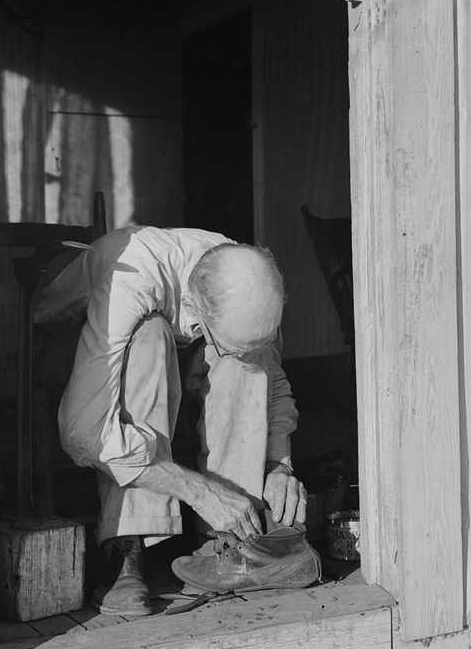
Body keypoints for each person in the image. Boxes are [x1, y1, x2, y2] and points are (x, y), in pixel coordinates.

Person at [32, 225, 318, 617]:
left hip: (179, 341)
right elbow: (85, 433)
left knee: (246, 360)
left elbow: (273, 378)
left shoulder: (244, 277)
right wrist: (200, 493)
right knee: (148, 338)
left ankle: (229, 539)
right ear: (198, 315)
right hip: (65, 350)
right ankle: (125, 545)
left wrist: (278, 463)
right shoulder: (128, 279)